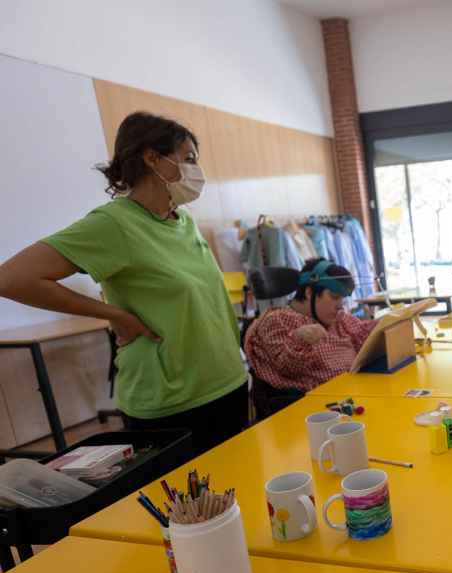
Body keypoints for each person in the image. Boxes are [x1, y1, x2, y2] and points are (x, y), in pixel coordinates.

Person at [0, 111, 247, 455]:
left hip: (227, 384)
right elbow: (11, 279)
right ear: (152, 159)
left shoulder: (184, 220)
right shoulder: (115, 224)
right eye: (189, 159)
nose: (197, 170)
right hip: (173, 402)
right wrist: (115, 315)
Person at [243, 259, 377, 392]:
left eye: (343, 299)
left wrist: (386, 322)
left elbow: (363, 337)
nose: (341, 306)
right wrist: (299, 340)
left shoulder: (337, 319)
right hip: (321, 405)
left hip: (354, 390)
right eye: (334, 297)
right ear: (309, 292)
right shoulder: (277, 320)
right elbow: (288, 370)